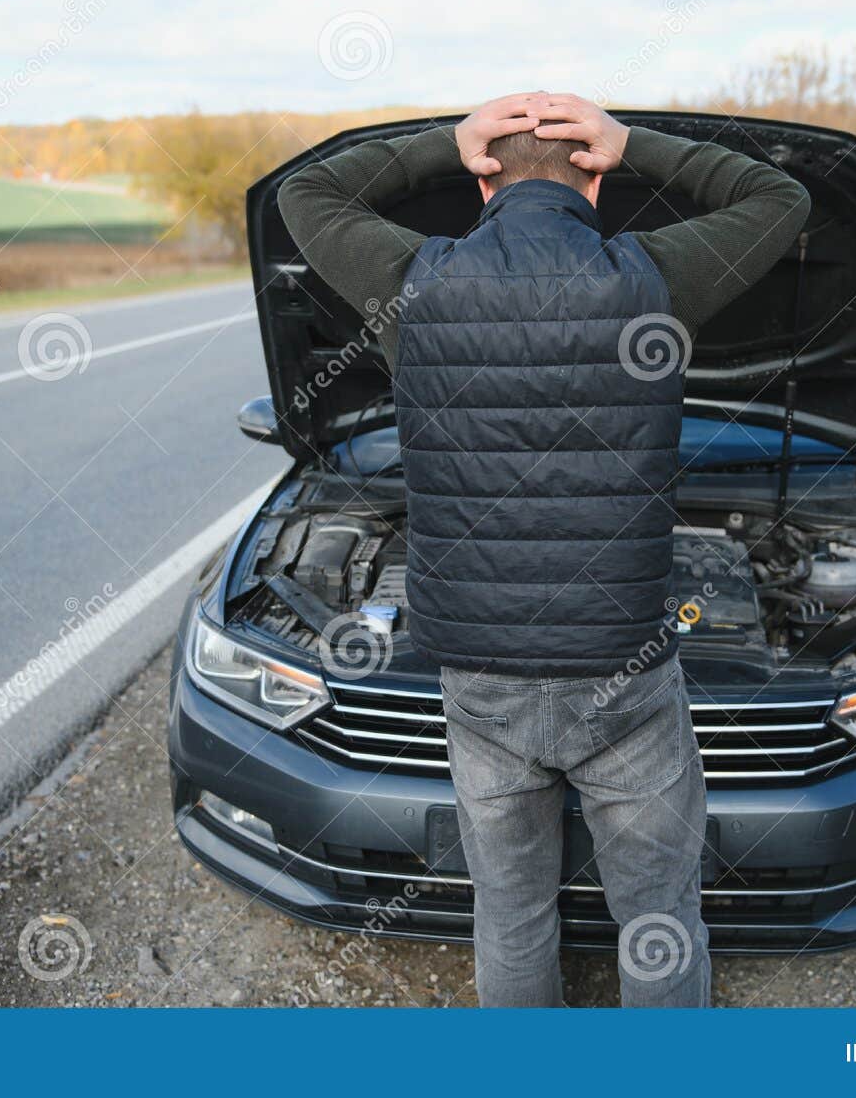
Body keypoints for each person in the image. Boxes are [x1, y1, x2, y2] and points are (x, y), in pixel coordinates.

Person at [279, 93, 810, 1007]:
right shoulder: (649, 280)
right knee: (657, 915)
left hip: (479, 676)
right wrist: (638, 142)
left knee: (511, 908)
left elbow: (307, 193)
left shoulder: (415, 280)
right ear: (595, 175)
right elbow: (780, 201)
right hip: (623, 673)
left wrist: (445, 143)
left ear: (484, 177)